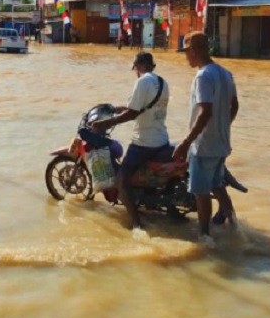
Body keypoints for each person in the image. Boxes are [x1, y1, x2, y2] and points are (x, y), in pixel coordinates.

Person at [173, 31, 239, 246]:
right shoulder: (225, 73)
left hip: (204, 145)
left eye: (186, 52)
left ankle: (205, 236)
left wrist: (186, 142)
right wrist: (224, 126)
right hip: (221, 142)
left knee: (201, 192)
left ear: (193, 51)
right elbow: (235, 105)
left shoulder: (203, 76)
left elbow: (205, 112)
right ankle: (232, 222)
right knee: (217, 184)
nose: (185, 58)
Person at [90, 52, 170, 229]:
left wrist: (105, 123)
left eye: (134, 67)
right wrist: (120, 109)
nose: (135, 71)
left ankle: (136, 223)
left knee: (120, 182)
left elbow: (133, 114)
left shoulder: (142, 82)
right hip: (162, 139)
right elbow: (145, 106)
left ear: (139, 65)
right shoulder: (163, 82)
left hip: (144, 143)